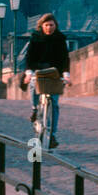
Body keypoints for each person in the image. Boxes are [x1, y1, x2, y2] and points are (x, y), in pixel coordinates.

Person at [24, 13, 71, 149]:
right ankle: (34, 109)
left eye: (51, 25)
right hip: (38, 70)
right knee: (33, 84)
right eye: (46, 25)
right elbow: (29, 58)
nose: (49, 28)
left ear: (55, 26)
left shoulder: (60, 39)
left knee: (55, 104)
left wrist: (66, 75)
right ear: (41, 26)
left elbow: (64, 59)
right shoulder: (35, 38)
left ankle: (53, 135)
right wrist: (28, 73)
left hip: (54, 72)